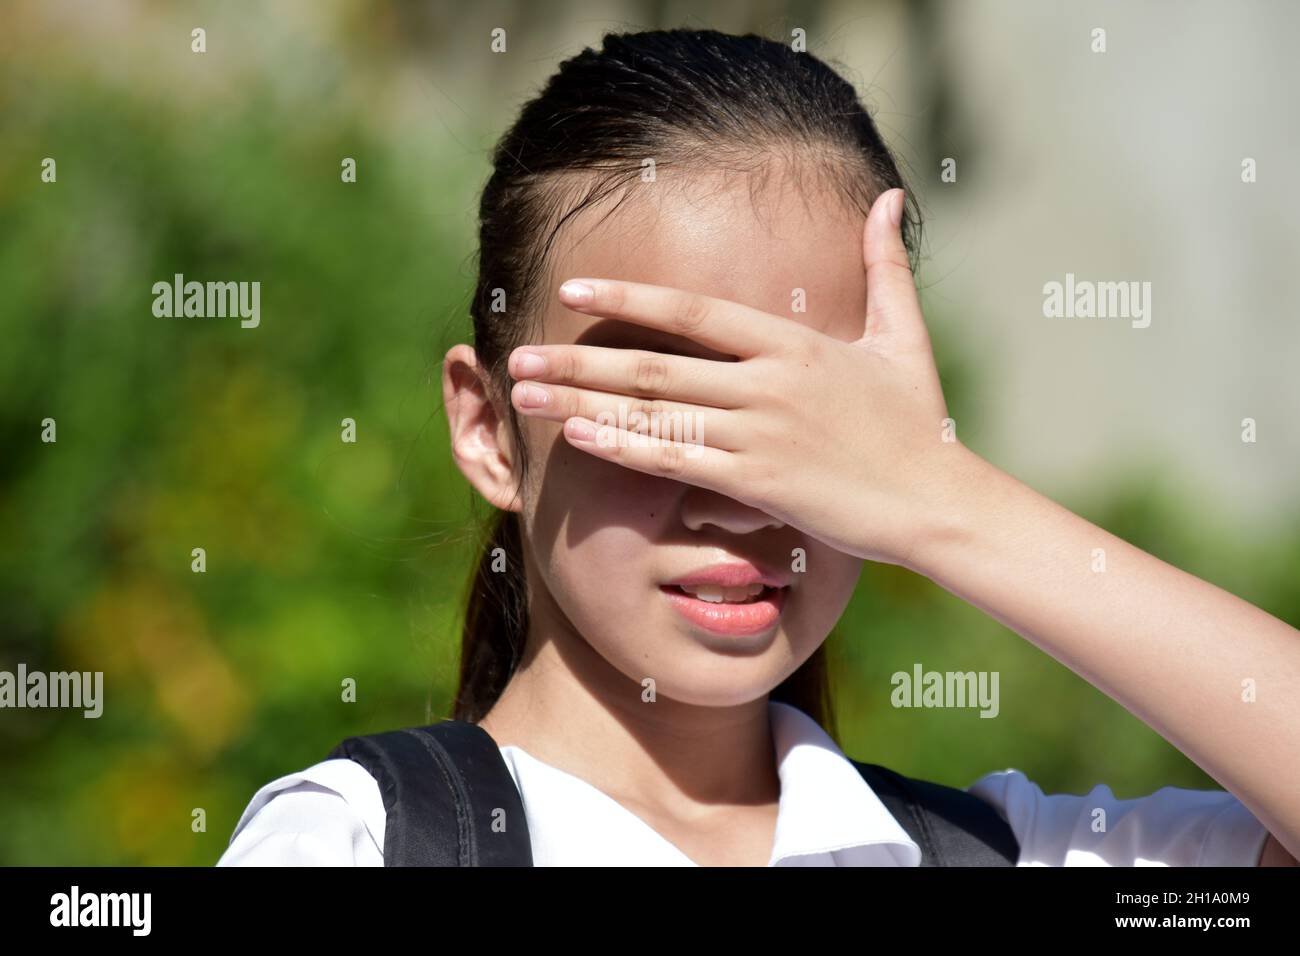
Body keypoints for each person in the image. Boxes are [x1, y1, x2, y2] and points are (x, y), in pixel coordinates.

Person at [218, 28, 1298, 867]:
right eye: (657, 399)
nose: (737, 500)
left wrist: (941, 502)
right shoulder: (360, 843)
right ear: (489, 426)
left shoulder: (999, 850)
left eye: (809, 422)